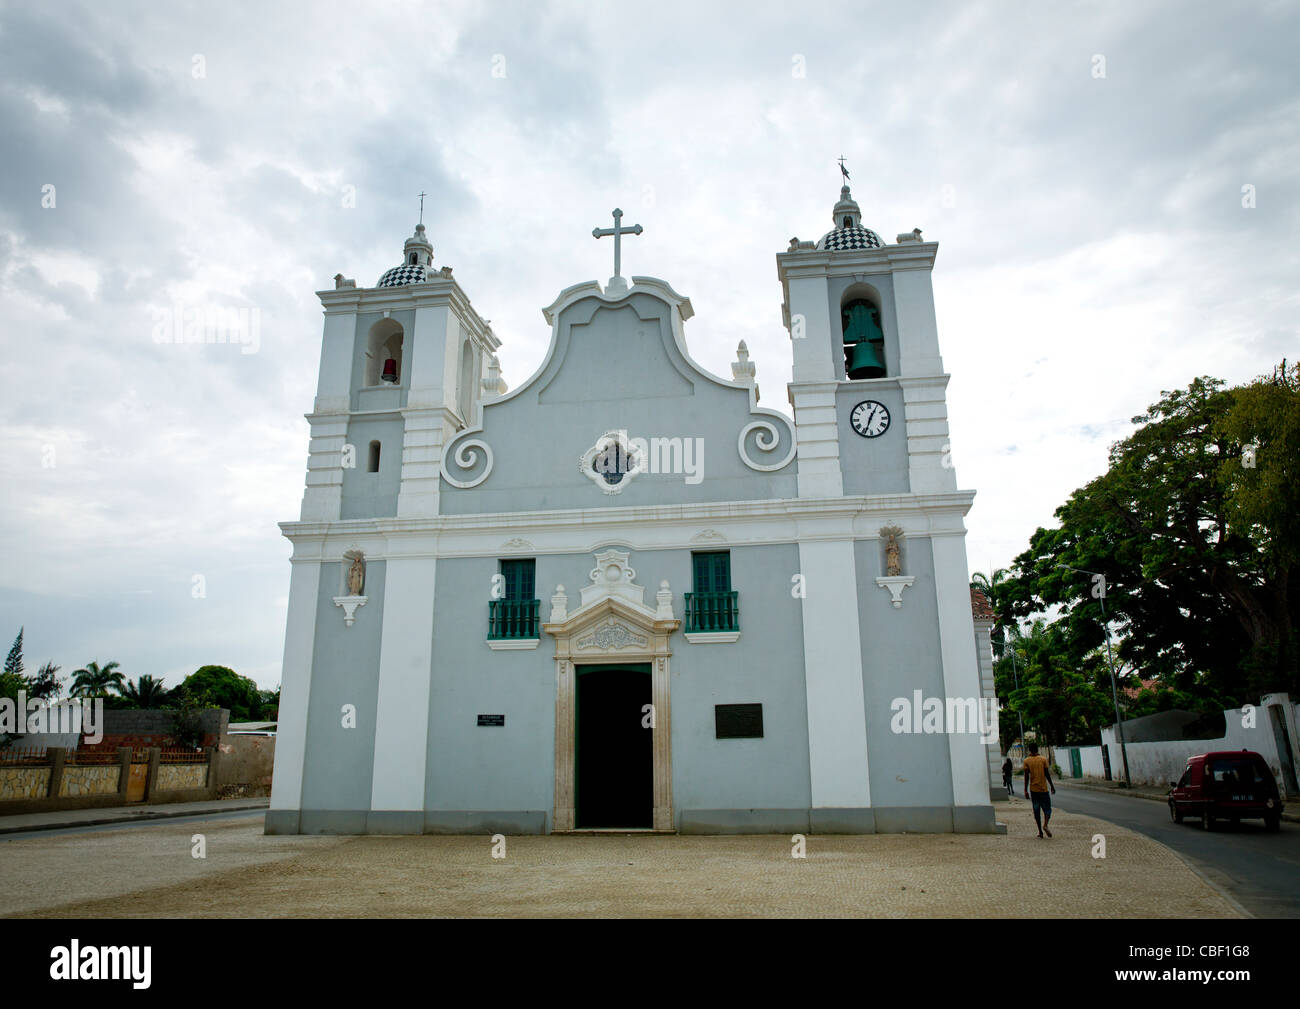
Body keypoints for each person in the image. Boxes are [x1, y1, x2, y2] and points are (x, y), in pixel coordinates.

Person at [1022, 743, 1056, 838]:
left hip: (1033, 790)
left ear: (1029, 750)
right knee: (1047, 809)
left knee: (1036, 811)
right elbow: (1047, 774)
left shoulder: (1026, 761)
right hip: (1043, 789)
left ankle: (1040, 831)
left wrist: (1025, 790)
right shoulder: (1043, 759)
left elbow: (1026, 777)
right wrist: (1052, 786)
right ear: (1037, 749)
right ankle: (1045, 825)